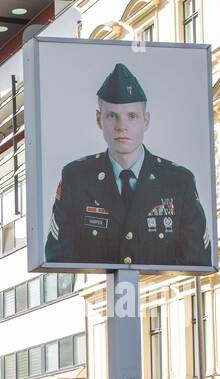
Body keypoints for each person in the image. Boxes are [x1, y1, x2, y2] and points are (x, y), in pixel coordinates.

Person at [44, 62, 211, 268]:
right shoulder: (76, 179)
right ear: (99, 120)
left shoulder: (178, 182)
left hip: (159, 296)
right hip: (99, 294)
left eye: (132, 116)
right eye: (112, 115)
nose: (121, 126)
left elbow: (198, 259)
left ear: (146, 121)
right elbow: (58, 259)